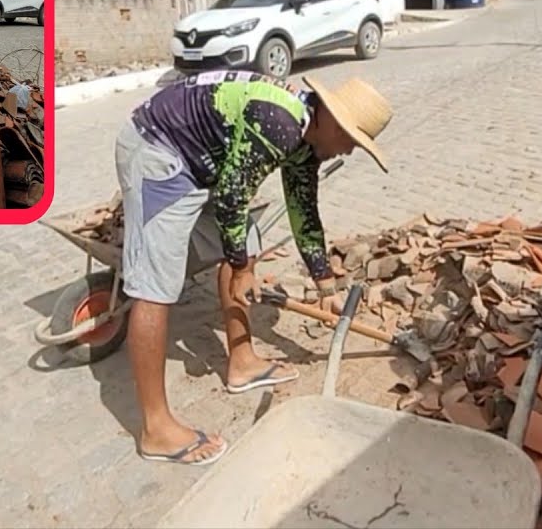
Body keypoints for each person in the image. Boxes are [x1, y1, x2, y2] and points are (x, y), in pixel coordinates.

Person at [113, 69, 392, 466]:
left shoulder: (305, 138)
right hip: (159, 148)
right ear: (329, 116)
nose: (347, 151)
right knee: (156, 286)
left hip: (204, 160)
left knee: (250, 242)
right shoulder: (279, 123)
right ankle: (155, 428)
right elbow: (230, 200)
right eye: (349, 138)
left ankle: (241, 362)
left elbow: (302, 209)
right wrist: (241, 268)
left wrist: (325, 285)